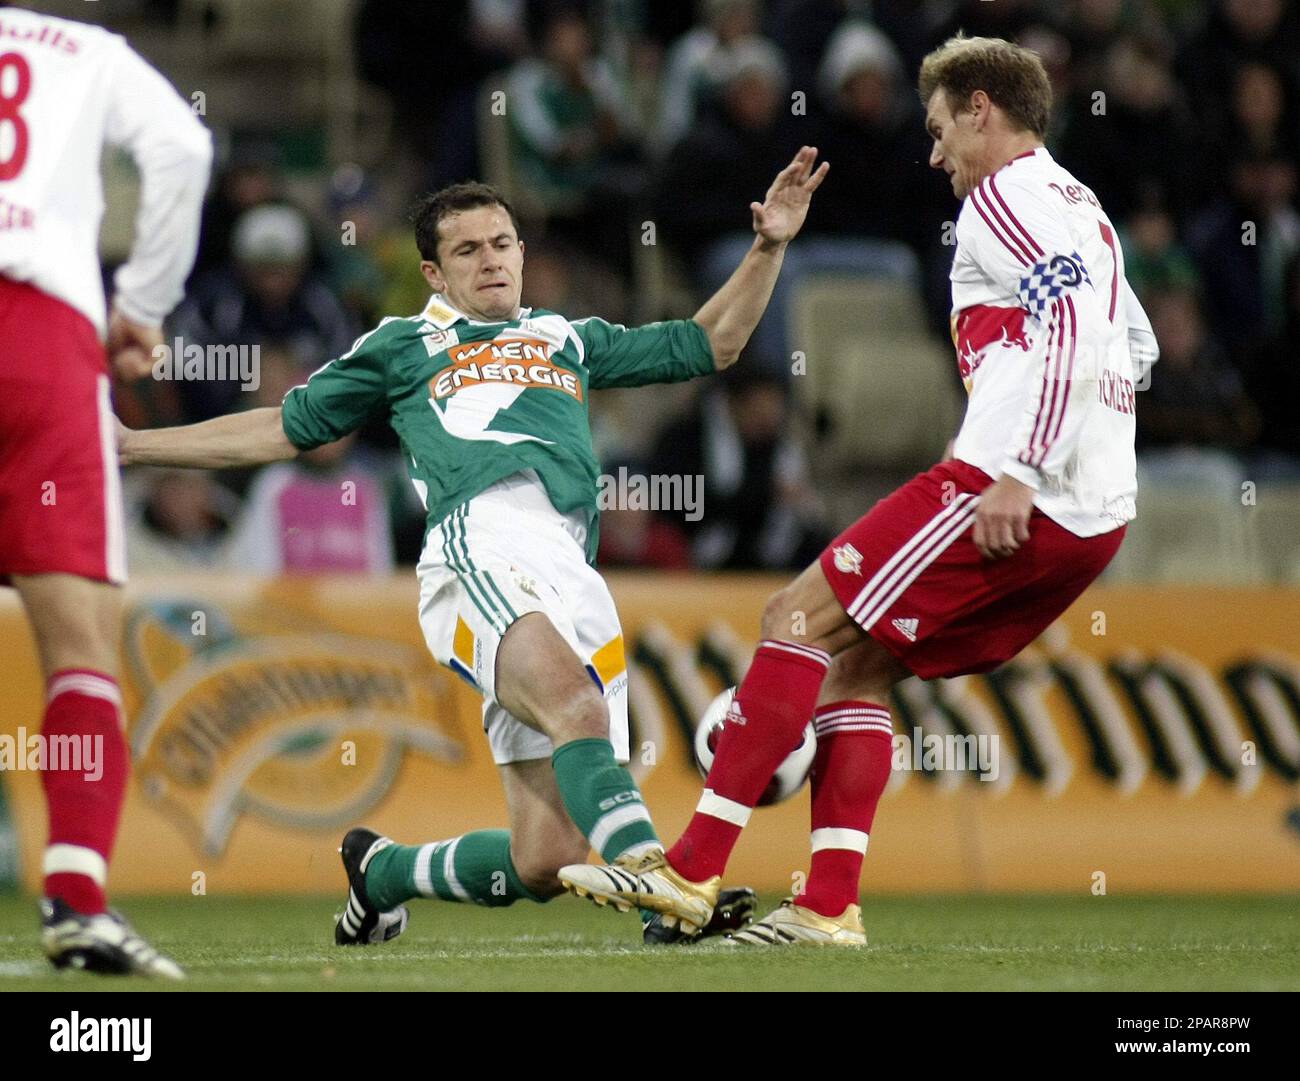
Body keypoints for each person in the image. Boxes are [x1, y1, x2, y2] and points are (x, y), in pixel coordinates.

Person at [117, 152, 828, 946]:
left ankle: (381, 872)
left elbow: (710, 344)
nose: (491, 259)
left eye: (503, 243)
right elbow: (281, 426)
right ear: (435, 273)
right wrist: (137, 448)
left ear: (524, 253)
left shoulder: (567, 337)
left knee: (545, 859)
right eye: (468, 250)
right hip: (479, 540)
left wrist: (769, 247)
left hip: (570, 568)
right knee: (578, 707)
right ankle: (665, 886)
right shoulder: (402, 345)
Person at [560, 34, 1160, 946]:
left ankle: (689, 869)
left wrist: (1023, 462)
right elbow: (1134, 345)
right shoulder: (1087, 210)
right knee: (856, 665)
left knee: (794, 616)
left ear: (980, 110)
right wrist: (1071, 434)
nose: (932, 154)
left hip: (1013, 488)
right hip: (1095, 516)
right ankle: (830, 904)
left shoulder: (1006, 194)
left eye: (937, 129)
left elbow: (1074, 319)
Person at [0, 7, 211, 975]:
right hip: (42, 343)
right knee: (80, 652)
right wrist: (142, 309)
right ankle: (78, 897)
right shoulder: (81, 49)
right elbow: (180, 146)